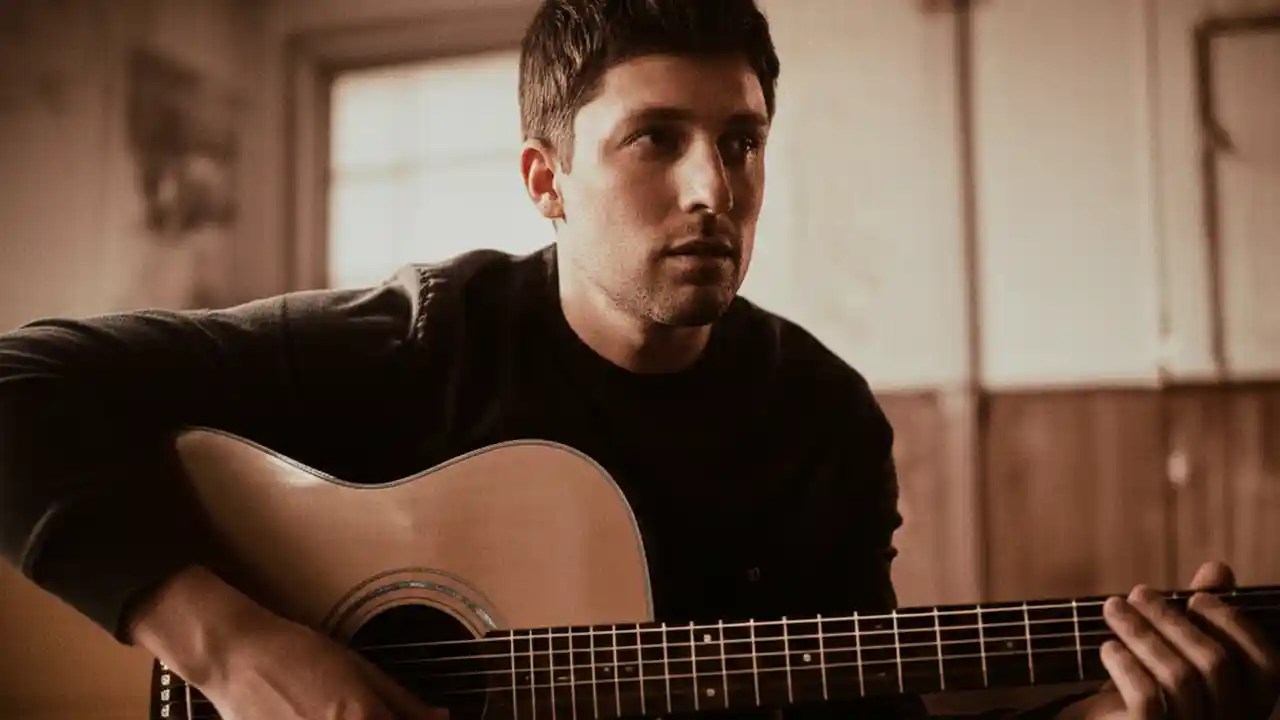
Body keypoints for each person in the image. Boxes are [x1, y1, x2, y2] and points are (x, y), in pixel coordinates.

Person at [0, 1, 1275, 718]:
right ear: (545, 181)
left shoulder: (817, 416)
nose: (712, 186)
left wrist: (1117, 717)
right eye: (653, 140)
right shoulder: (419, 342)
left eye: (742, 140)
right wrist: (238, 649)